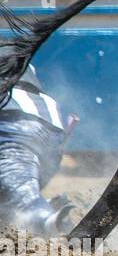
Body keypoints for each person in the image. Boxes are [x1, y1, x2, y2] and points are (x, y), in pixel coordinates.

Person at [0, 65, 77, 236]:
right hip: (51, 131)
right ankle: (38, 205)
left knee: (23, 202)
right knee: (11, 197)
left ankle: (44, 218)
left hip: (12, 123)